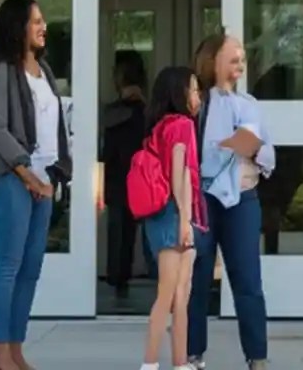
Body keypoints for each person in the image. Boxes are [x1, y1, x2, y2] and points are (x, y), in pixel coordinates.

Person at [0, 0, 72, 370]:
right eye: (36, 21)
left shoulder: (44, 71)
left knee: (31, 268)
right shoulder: (1, 69)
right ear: (17, 27)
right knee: (8, 265)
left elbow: (54, 126)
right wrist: (26, 174)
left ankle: (15, 349)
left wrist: (54, 174)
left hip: (44, 179)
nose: (43, 26)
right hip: (12, 177)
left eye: (43, 20)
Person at [187, 32, 275, 370]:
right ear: (214, 62)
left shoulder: (250, 104)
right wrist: (226, 147)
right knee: (198, 277)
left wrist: (252, 149)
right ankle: (193, 355)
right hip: (204, 199)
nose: (240, 64)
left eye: (242, 59)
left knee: (248, 280)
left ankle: (257, 356)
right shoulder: (198, 104)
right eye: (233, 58)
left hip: (243, 200)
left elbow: (269, 154)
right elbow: (197, 154)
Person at [139, 66, 206, 370]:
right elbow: (180, 173)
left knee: (178, 295)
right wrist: (184, 222)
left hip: (164, 214)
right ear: (179, 94)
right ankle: (151, 363)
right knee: (170, 294)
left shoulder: (161, 126)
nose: (198, 96)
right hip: (174, 214)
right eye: (193, 89)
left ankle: (179, 363)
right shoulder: (182, 126)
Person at [101, 49, 149, 296]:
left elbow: (107, 149)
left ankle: (118, 281)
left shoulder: (117, 112)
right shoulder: (147, 110)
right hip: (142, 177)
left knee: (119, 230)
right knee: (132, 231)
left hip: (119, 177)